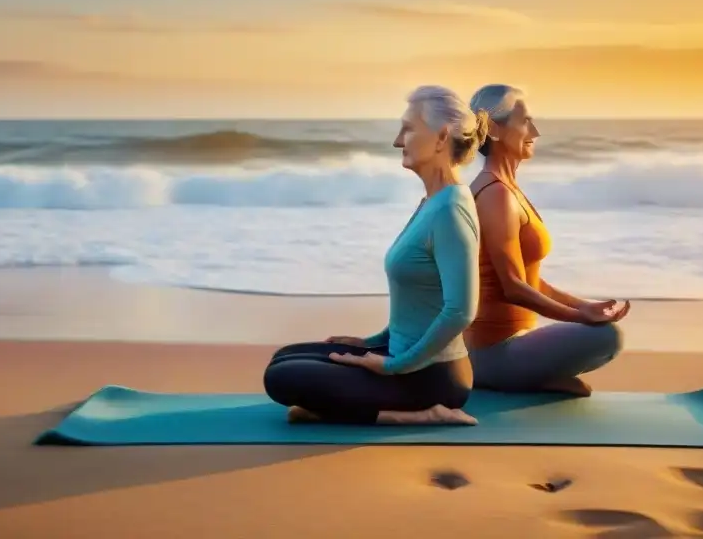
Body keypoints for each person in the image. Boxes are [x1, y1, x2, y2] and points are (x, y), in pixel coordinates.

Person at [263, 85, 489, 425]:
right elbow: (418, 307)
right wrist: (369, 343)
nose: (398, 141)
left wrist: (392, 365)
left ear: (442, 138)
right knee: (285, 358)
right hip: (403, 357)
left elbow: (460, 310)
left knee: (281, 378)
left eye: (408, 129)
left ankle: (420, 415)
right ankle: (350, 404)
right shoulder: (432, 202)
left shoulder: (451, 209)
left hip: (433, 376)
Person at [464, 83, 630, 397]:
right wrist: (579, 317)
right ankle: (515, 379)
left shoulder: (506, 188)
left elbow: (531, 281)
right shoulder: (496, 194)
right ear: (495, 130)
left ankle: (532, 378)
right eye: (525, 122)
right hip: (492, 354)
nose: (535, 132)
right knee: (608, 338)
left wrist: (584, 305)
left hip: (511, 345)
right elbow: (513, 287)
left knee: (600, 331)